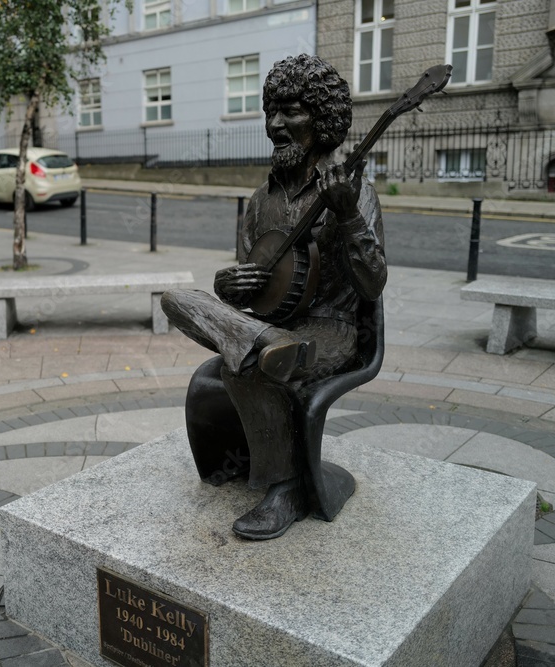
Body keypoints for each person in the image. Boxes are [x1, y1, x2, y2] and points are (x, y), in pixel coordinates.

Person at [161, 54, 386, 541]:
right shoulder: (260, 201)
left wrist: (348, 215)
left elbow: (372, 284)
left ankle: (285, 489)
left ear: (321, 120)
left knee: (243, 365)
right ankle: (265, 344)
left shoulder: (352, 190)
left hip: (329, 331)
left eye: (291, 111)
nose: (276, 124)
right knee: (177, 298)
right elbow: (254, 292)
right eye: (271, 112)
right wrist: (229, 287)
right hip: (271, 329)